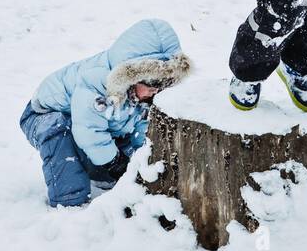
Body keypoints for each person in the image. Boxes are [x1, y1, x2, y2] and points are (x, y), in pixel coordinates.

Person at [19, 19, 191, 207]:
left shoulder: (142, 93)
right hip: (44, 116)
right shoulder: (97, 82)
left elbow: (142, 128)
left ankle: (100, 174)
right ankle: (69, 202)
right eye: (153, 84)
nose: (156, 91)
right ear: (132, 76)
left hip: (97, 122)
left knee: (121, 166)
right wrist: (114, 161)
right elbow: (88, 130)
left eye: (165, 83)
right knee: (60, 133)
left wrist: (139, 160)